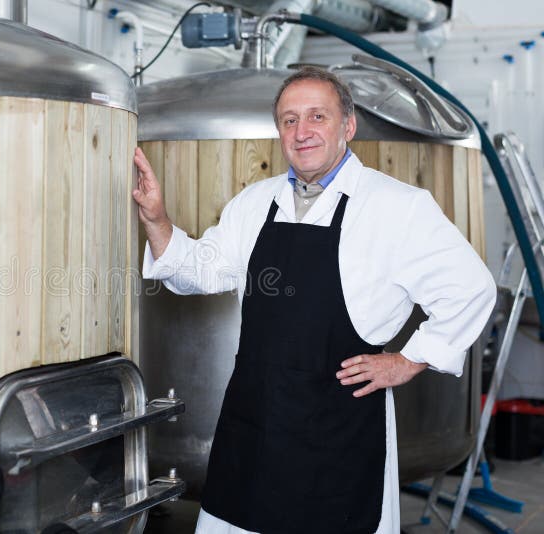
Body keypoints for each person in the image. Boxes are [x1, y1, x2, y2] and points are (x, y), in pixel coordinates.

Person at [132, 66, 497, 534]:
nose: (301, 132)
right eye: (288, 120)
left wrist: (408, 360)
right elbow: (202, 270)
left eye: (317, 117)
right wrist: (158, 221)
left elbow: (472, 287)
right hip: (255, 421)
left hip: (339, 431)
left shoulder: (397, 207)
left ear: (347, 126)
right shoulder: (256, 202)